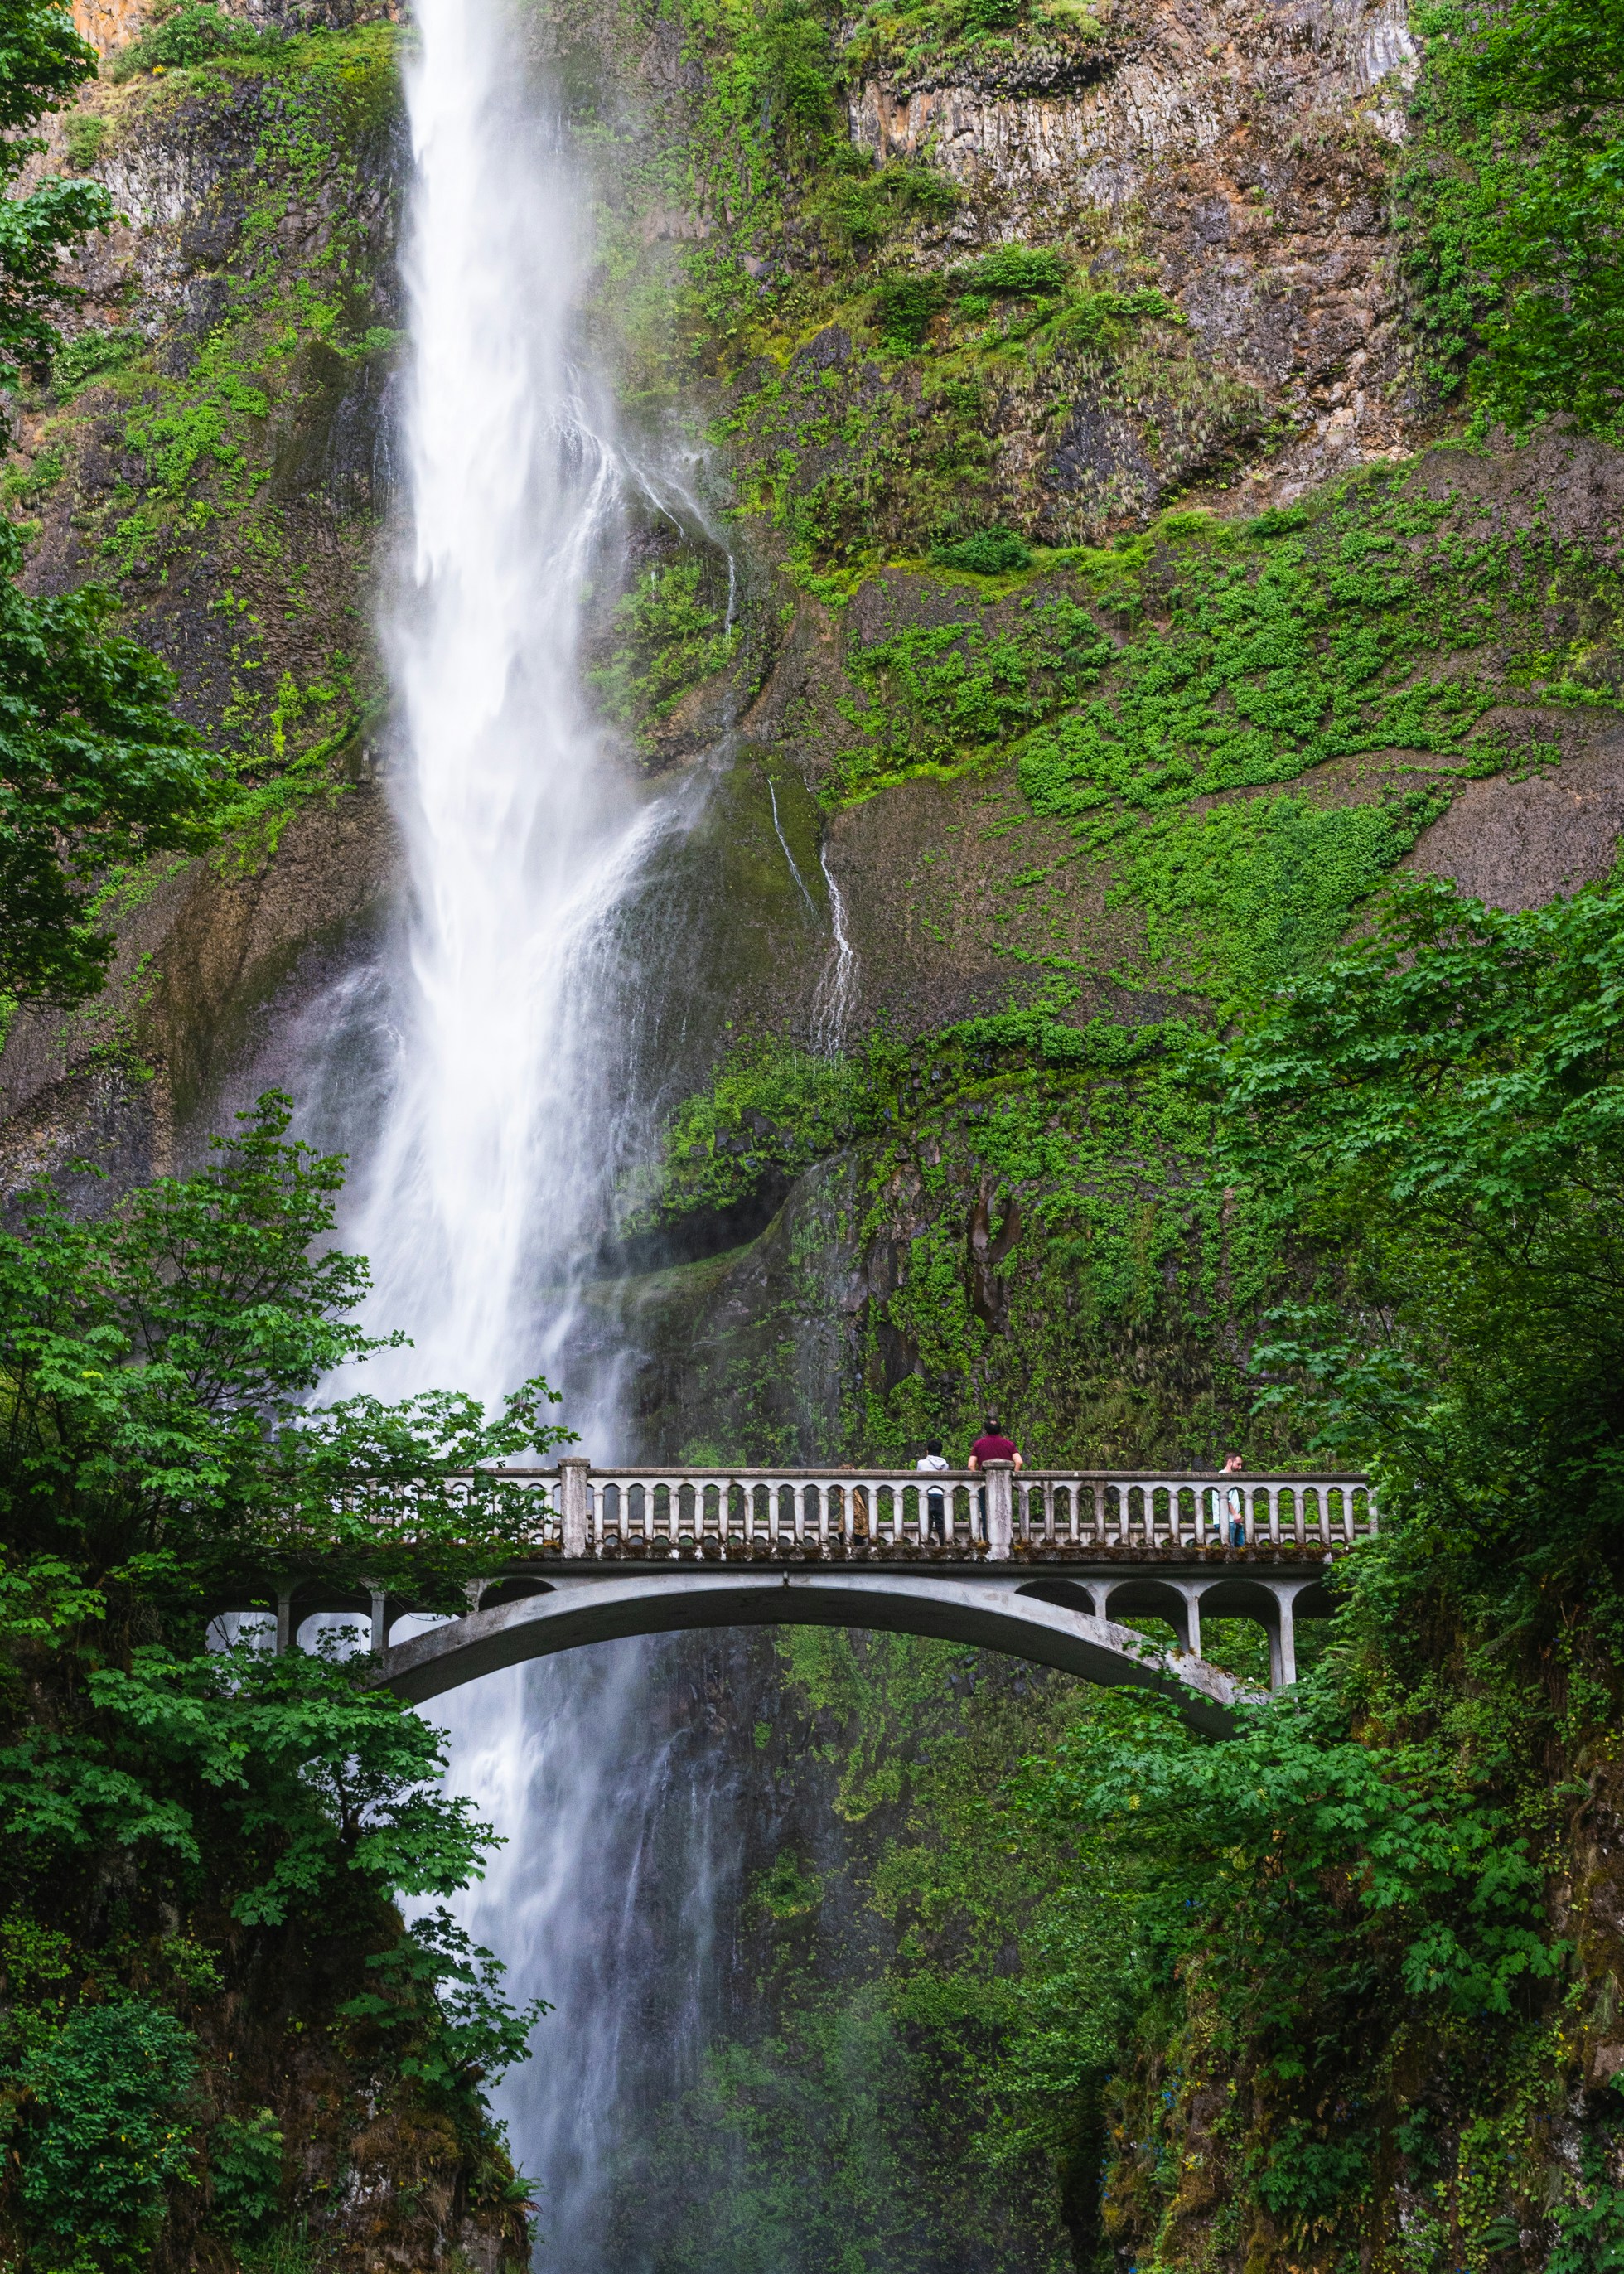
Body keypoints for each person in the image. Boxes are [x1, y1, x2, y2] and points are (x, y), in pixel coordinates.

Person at [968, 1415, 1022, 1541]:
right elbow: (1019, 1461)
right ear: (999, 1429)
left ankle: (988, 1540)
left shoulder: (979, 1444)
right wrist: (1012, 1478)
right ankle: (1006, 1539)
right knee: (1005, 1513)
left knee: (987, 1514)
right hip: (1005, 1486)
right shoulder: (1008, 1444)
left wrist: (979, 1479)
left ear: (986, 1429)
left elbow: (971, 1465)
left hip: (985, 1486)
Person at [916, 1439, 950, 1543]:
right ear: (940, 1451)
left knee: (927, 1521)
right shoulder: (945, 1465)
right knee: (941, 1522)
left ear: (928, 1451)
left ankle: (924, 1542)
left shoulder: (921, 1464)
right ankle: (944, 1544)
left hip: (928, 1496)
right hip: (940, 1496)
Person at [1222, 1453, 1246, 1548]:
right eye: (1238, 1464)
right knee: (1230, 1551)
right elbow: (1224, 1499)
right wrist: (1235, 1514)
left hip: (1235, 1522)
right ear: (1229, 1462)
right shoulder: (1221, 1477)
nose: (1240, 1468)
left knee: (1243, 1550)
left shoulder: (1231, 1478)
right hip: (1228, 1522)